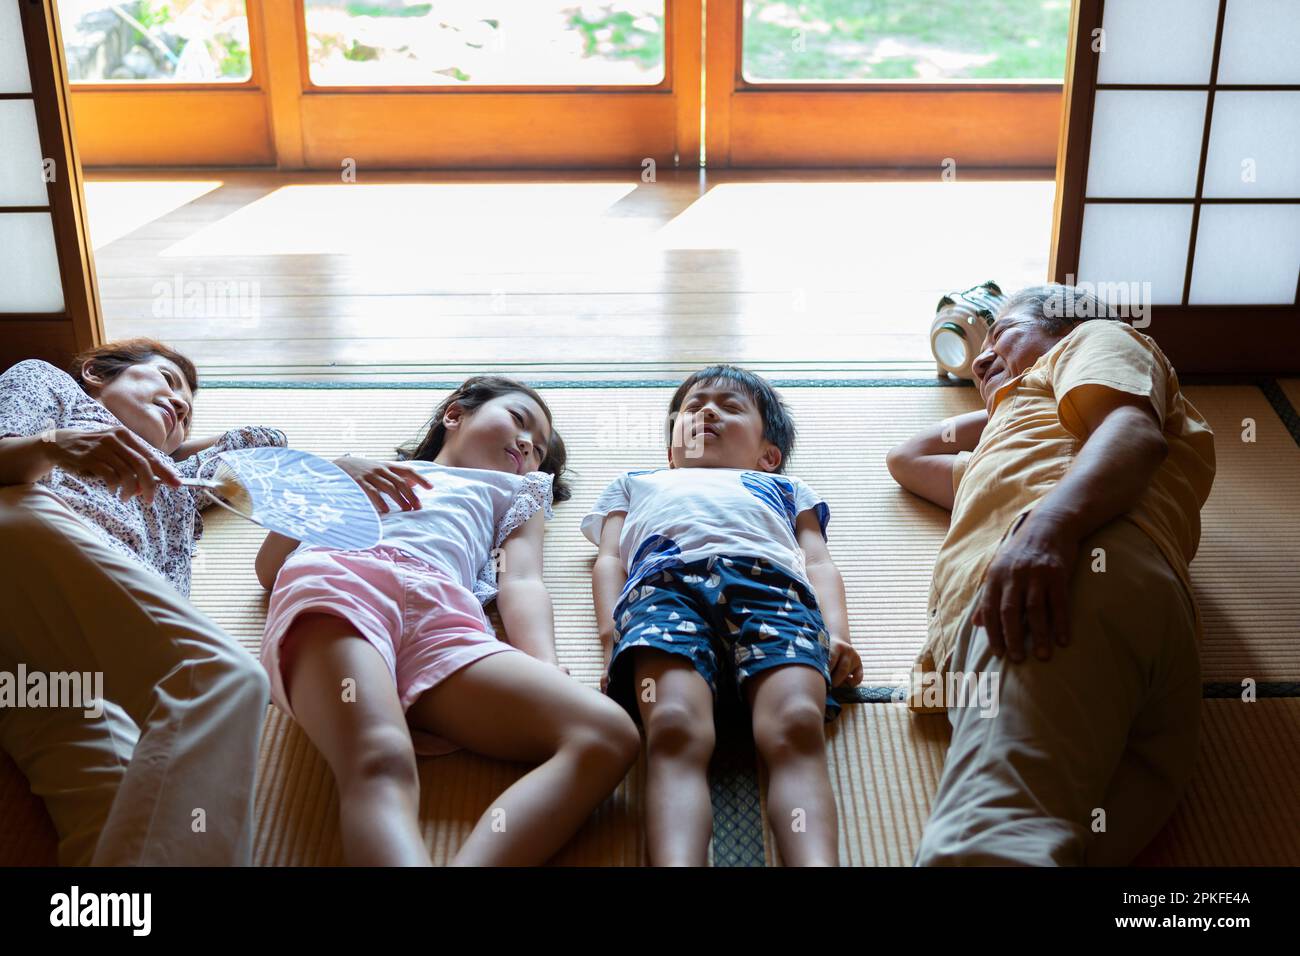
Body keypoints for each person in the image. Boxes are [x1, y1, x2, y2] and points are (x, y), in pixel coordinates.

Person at [886, 284, 1216, 865]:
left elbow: (1132, 433)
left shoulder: (1098, 341)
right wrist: (1001, 401)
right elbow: (907, 460)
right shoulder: (1019, 438)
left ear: (1063, 325)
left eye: (1001, 333)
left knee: (989, 846)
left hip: (1054, 586)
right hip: (1121, 623)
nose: (981, 359)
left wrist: (1047, 528)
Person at [255, 376, 640, 866]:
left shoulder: (515, 492)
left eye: (539, 448)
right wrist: (328, 476)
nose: (527, 444)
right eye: (519, 421)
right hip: (344, 583)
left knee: (608, 732)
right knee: (380, 760)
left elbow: (520, 581)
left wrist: (542, 660)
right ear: (454, 415)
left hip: (444, 614)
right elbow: (269, 571)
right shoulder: (370, 473)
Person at [0, 340, 286, 865]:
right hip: (25, 540)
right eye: (166, 380)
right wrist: (59, 443)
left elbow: (263, 442)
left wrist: (167, 448)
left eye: (187, 408)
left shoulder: (173, 483)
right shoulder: (51, 385)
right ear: (94, 372)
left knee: (131, 807)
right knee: (225, 678)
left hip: (51, 656)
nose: (180, 403)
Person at [585, 365, 862, 866]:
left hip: (773, 591)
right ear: (671, 450)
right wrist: (612, 635)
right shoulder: (637, 482)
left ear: (767, 456)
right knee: (671, 727)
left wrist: (836, 631)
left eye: (730, 407)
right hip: (665, 592)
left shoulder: (785, 486)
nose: (706, 411)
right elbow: (610, 560)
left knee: (798, 725)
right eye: (692, 408)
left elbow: (818, 560)